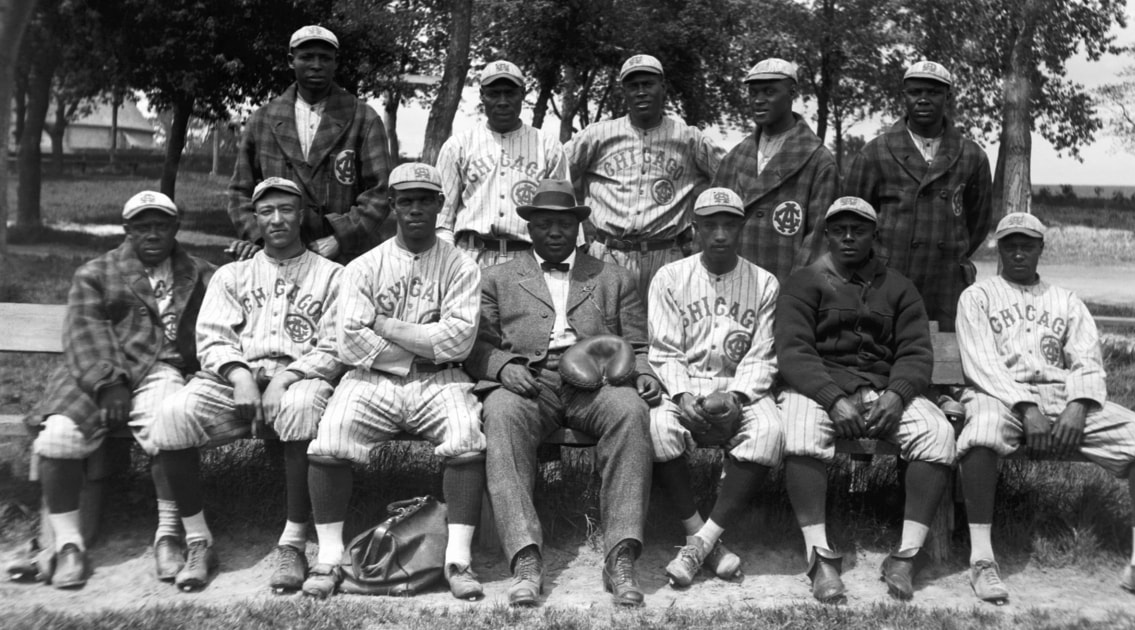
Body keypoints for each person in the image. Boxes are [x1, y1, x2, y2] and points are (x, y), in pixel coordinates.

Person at [955, 212, 1135, 606]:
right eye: (1010, 245)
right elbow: (981, 364)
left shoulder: (1066, 300)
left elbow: (1087, 360)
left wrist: (1078, 405)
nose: (1018, 253)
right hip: (998, 395)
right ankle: (982, 560)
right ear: (998, 249)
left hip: (1062, 396)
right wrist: (1026, 407)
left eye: (1026, 245)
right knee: (982, 431)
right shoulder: (977, 297)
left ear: (1041, 248)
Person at [464, 179, 660, 607]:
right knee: (502, 413)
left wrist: (644, 374)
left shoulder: (614, 277)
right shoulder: (496, 278)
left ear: (578, 228)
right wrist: (504, 367)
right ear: (529, 228)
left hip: (598, 383)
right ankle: (525, 558)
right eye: (544, 224)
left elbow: (638, 344)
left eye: (565, 224)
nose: (555, 232)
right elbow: (476, 346)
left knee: (631, 411)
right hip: (530, 382)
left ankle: (621, 556)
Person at [302, 163, 487, 601]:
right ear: (392, 205)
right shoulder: (363, 266)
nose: (415, 209)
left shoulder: (462, 266)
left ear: (440, 204)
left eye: (425, 200)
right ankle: (328, 557)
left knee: (465, 434)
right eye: (406, 201)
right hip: (370, 379)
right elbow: (350, 341)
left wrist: (384, 325)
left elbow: (459, 341)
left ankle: (458, 560)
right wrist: (423, 344)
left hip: (442, 380)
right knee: (331, 436)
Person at [152, 178, 345, 593]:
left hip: (300, 376)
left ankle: (293, 542)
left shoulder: (333, 276)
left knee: (300, 406)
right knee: (172, 413)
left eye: (286, 209)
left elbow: (336, 346)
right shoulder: (231, 275)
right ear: (255, 218)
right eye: (266, 211)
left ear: (302, 215)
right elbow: (212, 338)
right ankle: (199, 541)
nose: (277, 219)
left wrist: (285, 379)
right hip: (234, 379)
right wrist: (240, 377)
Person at [19, 191, 214, 588]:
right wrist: (108, 383)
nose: (153, 234)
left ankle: (168, 535)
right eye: (143, 226)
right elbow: (85, 330)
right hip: (98, 370)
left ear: (176, 227)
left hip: (161, 369)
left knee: (168, 427)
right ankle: (68, 544)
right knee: (58, 436)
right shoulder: (96, 272)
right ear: (127, 230)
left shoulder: (198, 271)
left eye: (162, 225)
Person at [776, 196, 955, 602]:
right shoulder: (804, 281)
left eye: (858, 230)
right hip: (819, 388)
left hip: (883, 390)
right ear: (827, 235)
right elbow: (793, 351)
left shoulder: (898, 286)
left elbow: (916, 352)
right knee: (800, 431)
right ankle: (819, 556)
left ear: (874, 235)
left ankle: (907, 555)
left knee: (936, 433)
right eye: (839, 230)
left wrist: (897, 395)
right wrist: (831, 398)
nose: (848, 237)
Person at [646, 187, 783, 588]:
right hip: (684, 383)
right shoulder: (670, 277)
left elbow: (763, 354)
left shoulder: (764, 282)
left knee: (769, 431)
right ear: (695, 229)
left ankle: (700, 543)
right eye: (710, 225)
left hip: (740, 386)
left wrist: (737, 397)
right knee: (657, 427)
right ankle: (701, 537)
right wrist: (683, 395)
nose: (720, 234)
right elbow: (664, 350)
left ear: (742, 228)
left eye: (729, 225)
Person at [843, 60, 992, 331]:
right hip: (887, 280)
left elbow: (978, 222)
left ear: (948, 97)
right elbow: (851, 220)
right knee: (881, 349)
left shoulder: (972, 156)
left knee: (945, 351)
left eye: (933, 93)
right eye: (915, 92)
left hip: (946, 283)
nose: (923, 99)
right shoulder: (875, 152)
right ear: (904, 96)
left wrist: (949, 251)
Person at [227, 25, 391, 264]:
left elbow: (381, 191)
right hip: (278, 257)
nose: (316, 65)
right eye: (306, 57)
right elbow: (239, 193)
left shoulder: (363, 118)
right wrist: (261, 239)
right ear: (291, 61)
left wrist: (341, 238)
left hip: (346, 259)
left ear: (336, 62)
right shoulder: (263, 119)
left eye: (325, 58)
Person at [568, 54, 723, 296]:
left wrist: (705, 232)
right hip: (607, 253)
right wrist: (576, 240)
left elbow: (731, 176)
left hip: (667, 255)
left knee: (667, 320)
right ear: (624, 92)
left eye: (648, 84)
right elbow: (555, 179)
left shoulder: (688, 138)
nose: (641, 92)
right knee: (602, 321)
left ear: (663, 87)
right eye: (633, 86)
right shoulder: (597, 135)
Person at [713, 58, 838, 282]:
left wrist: (796, 294)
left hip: (785, 286)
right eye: (753, 93)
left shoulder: (818, 161)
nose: (759, 100)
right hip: (731, 286)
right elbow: (710, 223)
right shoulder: (734, 158)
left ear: (792, 93)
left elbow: (819, 240)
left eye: (769, 91)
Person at [436, 60, 567, 265]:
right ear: (482, 95)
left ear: (523, 94)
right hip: (470, 256)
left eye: (510, 93)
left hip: (527, 258)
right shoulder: (458, 145)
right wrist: (448, 263)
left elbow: (564, 214)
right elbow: (443, 220)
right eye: (494, 93)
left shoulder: (548, 146)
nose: (503, 101)